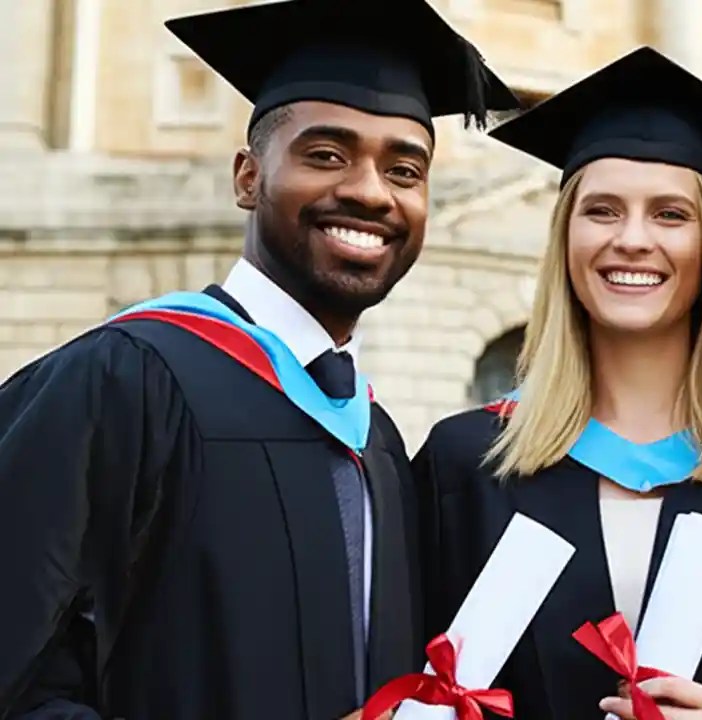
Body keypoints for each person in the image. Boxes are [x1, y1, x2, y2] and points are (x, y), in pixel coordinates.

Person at [0, 0, 519, 718]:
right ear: (248, 177)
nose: (371, 192)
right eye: (327, 156)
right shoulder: (123, 380)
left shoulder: (380, 443)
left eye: (405, 170)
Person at [412, 46, 702, 720]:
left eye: (671, 215)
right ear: (566, 238)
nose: (632, 239)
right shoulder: (466, 463)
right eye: (601, 211)